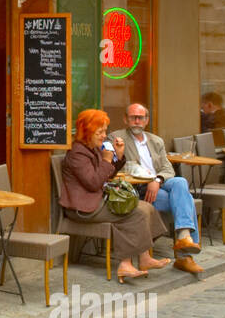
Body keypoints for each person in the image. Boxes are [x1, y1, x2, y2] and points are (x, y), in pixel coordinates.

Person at [59, 110, 169, 284]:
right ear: (87, 131)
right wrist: (106, 160)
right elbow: (94, 183)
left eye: (104, 131)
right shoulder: (77, 153)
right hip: (83, 208)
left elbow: (106, 176)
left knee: (146, 206)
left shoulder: (92, 148)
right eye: (100, 132)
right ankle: (126, 264)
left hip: (96, 201)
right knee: (135, 212)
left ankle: (144, 256)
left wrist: (117, 156)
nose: (104, 135)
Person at [109, 103, 204, 273]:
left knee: (180, 183)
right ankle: (184, 253)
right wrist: (147, 179)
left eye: (141, 118)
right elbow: (117, 168)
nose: (137, 121)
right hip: (138, 188)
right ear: (125, 119)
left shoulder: (156, 141)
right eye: (133, 117)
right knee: (186, 199)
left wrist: (157, 179)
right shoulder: (116, 138)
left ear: (147, 120)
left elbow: (168, 170)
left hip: (159, 184)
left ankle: (184, 238)